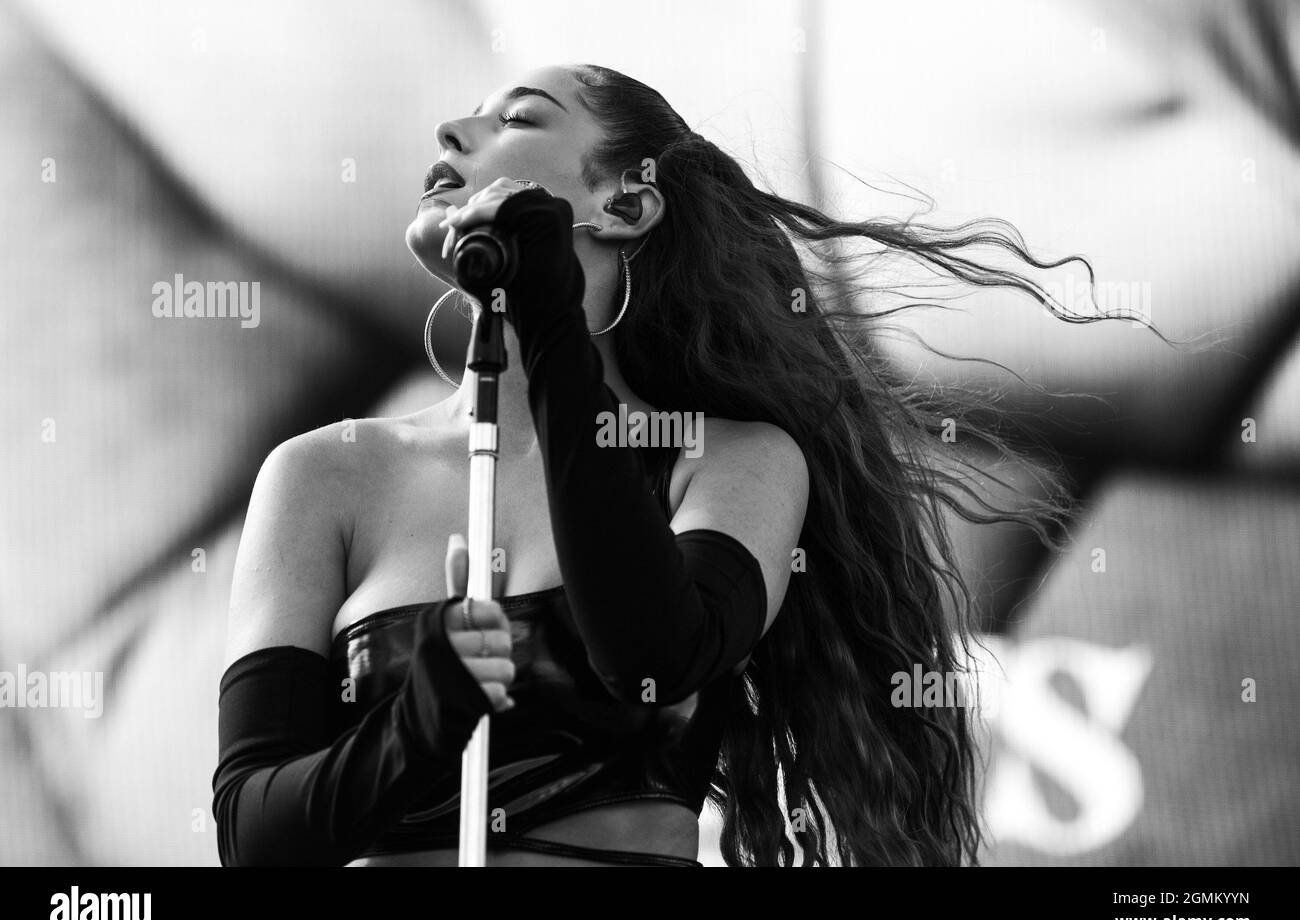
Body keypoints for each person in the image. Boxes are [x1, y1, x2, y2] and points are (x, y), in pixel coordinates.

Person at [212, 63, 1122, 867]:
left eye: (520, 119)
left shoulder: (732, 463)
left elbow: (655, 656)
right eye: (466, 118)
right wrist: (424, 715)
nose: (452, 133)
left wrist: (549, 318)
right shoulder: (323, 474)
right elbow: (253, 837)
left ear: (626, 203)